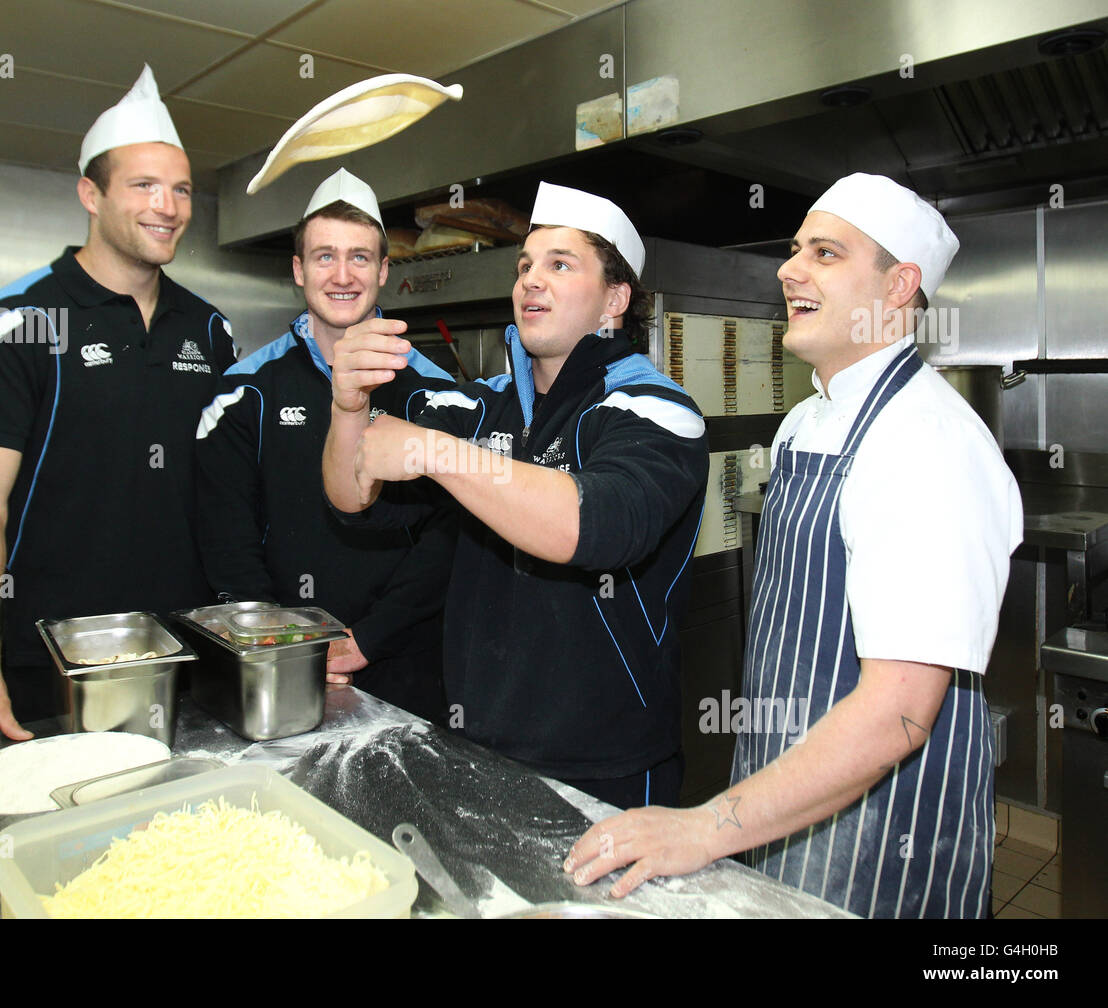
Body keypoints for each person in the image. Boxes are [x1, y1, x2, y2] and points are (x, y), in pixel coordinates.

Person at [566, 173, 1023, 918]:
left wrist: (707, 826)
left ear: (899, 285)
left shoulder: (927, 445)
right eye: (794, 248)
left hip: (882, 845)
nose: (789, 268)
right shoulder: (805, 423)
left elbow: (898, 714)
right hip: (785, 806)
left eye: (826, 252)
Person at [323, 182, 709, 807]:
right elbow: (351, 494)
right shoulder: (481, 406)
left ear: (615, 298)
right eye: (525, 265)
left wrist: (433, 452)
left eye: (560, 264)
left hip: (607, 763)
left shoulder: (656, 411)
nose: (531, 279)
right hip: (479, 740)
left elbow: (589, 527)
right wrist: (348, 405)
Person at [0, 65, 236, 756]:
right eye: (144, 185)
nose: (170, 205)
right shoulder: (15, 321)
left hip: (187, 657)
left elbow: (230, 491)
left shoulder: (211, 332)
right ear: (90, 194)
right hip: (52, 663)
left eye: (182, 188)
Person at [195, 168, 456, 721]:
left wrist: (370, 637)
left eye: (360, 257)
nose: (343, 274)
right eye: (324, 256)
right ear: (298, 269)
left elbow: (448, 537)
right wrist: (281, 645)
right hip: (278, 667)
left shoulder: (438, 393)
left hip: (407, 661)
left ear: (384, 270)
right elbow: (227, 537)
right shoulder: (243, 394)